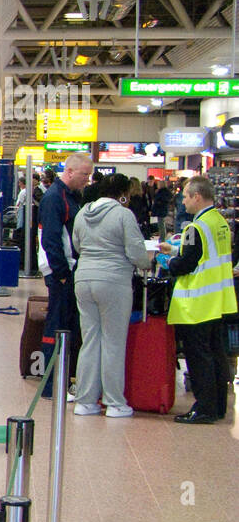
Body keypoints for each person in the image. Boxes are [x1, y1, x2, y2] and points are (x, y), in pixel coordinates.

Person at [70, 174, 153, 417]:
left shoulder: (83, 213)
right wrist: (147, 262)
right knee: (113, 341)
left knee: (90, 340)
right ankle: (115, 402)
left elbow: (77, 245)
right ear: (123, 194)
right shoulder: (123, 215)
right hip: (114, 280)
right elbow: (137, 252)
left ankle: (85, 400)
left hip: (83, 278)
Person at [159, 176, 237, 424]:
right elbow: (205, 253)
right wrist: (175, 249)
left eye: (185, 196)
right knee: (216, 354)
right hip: (217, 300)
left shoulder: (196, 227)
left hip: (196, 303)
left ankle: (203, 407)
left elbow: (186, 264)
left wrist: (169, 261)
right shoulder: (219, 222)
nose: (183, 201)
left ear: (197, 197)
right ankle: (217, 406)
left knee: (199, 357)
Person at [38, 151, 94, 397]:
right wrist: (61, 273)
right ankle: (51, 385)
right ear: (70, 171)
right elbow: (51, 239)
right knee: (57, 326)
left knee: (68, 327)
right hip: (61, 271)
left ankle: (63, 380)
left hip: (70, 270)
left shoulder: (72, 196)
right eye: (85, 174)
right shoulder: (55, 198)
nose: (87, 179)